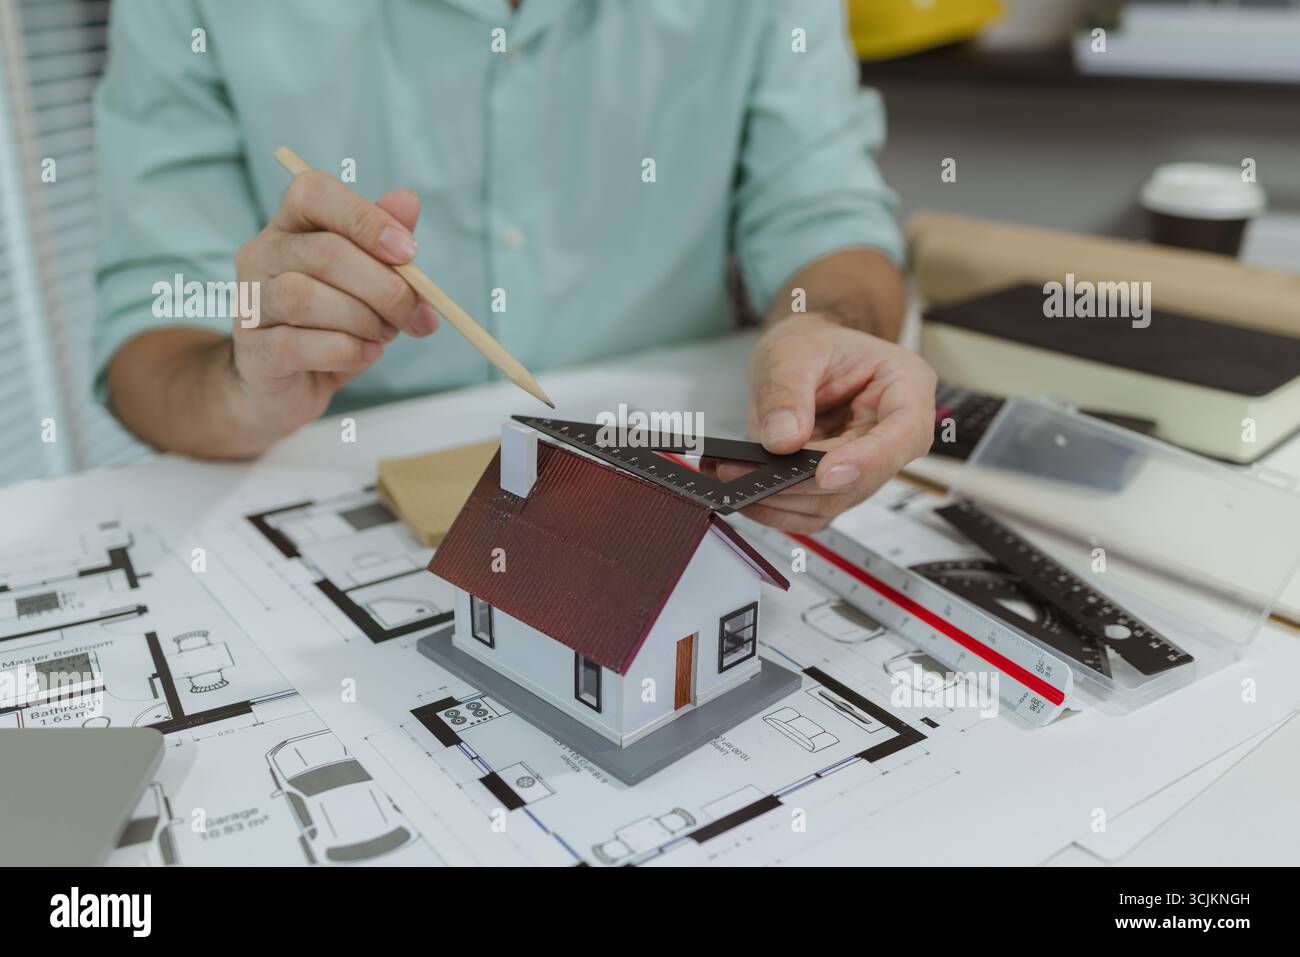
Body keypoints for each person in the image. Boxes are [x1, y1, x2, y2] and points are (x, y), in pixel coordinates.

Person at [93, 0, 935, 532]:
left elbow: (824, 215)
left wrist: (825, 328)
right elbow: (149, 342)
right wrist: (246, 384)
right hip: (331, 483)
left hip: (676, 458)